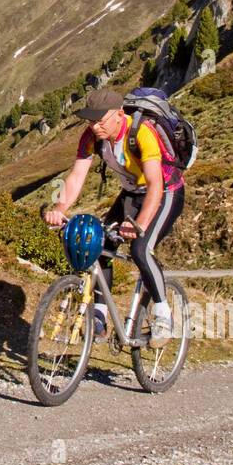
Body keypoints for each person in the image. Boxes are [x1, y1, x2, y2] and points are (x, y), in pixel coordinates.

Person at [43, 88, 185, 346]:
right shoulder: (90, 137)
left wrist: (140, 224)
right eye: (90, 120)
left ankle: (163, 315)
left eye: (100, 120)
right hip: (131, 192)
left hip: (165, 193)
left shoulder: (142, 133)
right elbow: (76, 177)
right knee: (100, 245)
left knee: (141, 249)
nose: (95, 126)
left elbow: (154, 185)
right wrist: (60, 207)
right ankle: (99, 317)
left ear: (120, 114)